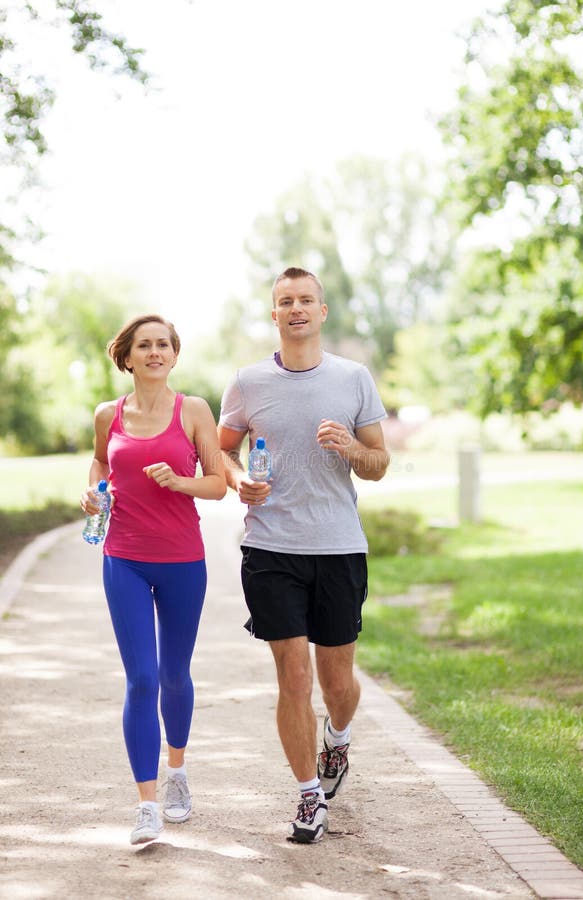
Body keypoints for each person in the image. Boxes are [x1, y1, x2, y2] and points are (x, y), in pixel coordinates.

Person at [218, 267, 389, 843]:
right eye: (285, 301)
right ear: (274, 314)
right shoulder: (246, 383)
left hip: (338, 546)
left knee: (337, 683)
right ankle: (308, 797)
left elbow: (380, 462)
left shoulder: (353, 378)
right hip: (270, 546)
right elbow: (219, 454)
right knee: (293, 676)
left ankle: (337, 741)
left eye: (306, 300)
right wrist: (239, 479)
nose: (296, 309)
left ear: (322, 311)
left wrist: (352, 448)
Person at [81, 314, 226, 845]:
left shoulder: (193, 411)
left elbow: (217, 485)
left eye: (163, 344)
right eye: (145, 345)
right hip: (124, 558)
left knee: (173, 674)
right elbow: (100, 464)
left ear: (174, 354)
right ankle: (147, 805)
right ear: (128, 355)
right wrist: (94, 491)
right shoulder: (107, 414)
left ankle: (179, 773)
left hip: (184, 561)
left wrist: (180, 480)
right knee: (141, 678)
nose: (155, 352)